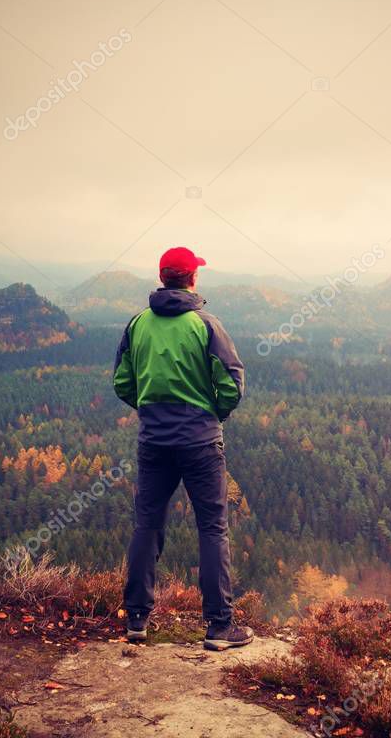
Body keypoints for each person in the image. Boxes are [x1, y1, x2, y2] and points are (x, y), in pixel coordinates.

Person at [112, 246, 252, 650]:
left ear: (162, 278)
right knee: (211, 528)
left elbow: (123, 382)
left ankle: (136, 620)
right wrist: (212, 416)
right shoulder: (205, 325)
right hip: (201, 443)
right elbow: (231, 383)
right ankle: (219, 627)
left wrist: (150, 410)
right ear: (192, 279)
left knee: (147, 524)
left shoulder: (138, 324)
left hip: (153, 442)